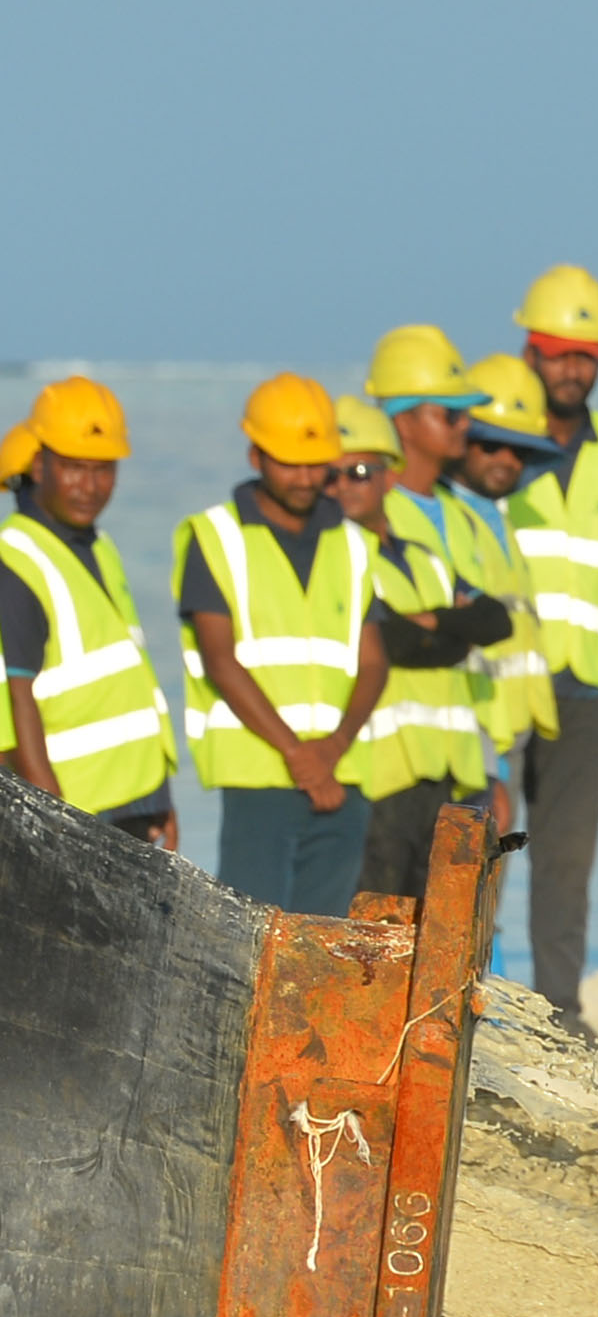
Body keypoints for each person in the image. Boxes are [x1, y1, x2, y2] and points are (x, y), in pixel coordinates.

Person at [175, 374, 393, 917]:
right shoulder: (214, 537)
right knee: (248, 937)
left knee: (324, 939)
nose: (305, 477)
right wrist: (298, 755)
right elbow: (220, 661)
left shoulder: (354, 545)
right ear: (256, 455)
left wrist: (332, 749)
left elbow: (373, 662)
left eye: (316, 463)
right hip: (259, 777)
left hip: (342, 778)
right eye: (289, 463)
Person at [505, 262, 598, 1031]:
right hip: (500, 682)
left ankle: (561, 1013)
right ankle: (473, 1000)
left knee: (567, 857)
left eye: (585, 355)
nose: (571, 368)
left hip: (585, 683)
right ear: (529, 349)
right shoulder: (494, 438)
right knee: (485, 847)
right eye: (558, 352)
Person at [327, 389, 510, 896]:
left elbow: (494, 621)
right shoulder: (336, 560)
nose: (341, 487)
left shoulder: (424, 556)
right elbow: (394, 640)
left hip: (453, 772)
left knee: (448, 923)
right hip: (382, 778)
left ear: (389, 476)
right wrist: (448, 628)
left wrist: (428, 624)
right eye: (329, 476)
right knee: (380, 922)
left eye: (357, 472)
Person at [0, 377, 181, 845]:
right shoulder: (15, 560)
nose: (90, 486)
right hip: (75, 814)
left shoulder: (97, 545)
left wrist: (158, 799)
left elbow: (124, 678)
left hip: (133, 801)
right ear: (39, 465)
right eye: (74, 467)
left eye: (104, 469)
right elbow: (16, 699)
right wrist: (53, 825)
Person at [442, 353, 561, 787]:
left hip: (510, 732)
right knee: (464, 833)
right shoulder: (444, 517)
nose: (507, 460)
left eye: (521, 450)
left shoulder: (499, 518)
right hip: (470, 737)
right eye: (491, 445)